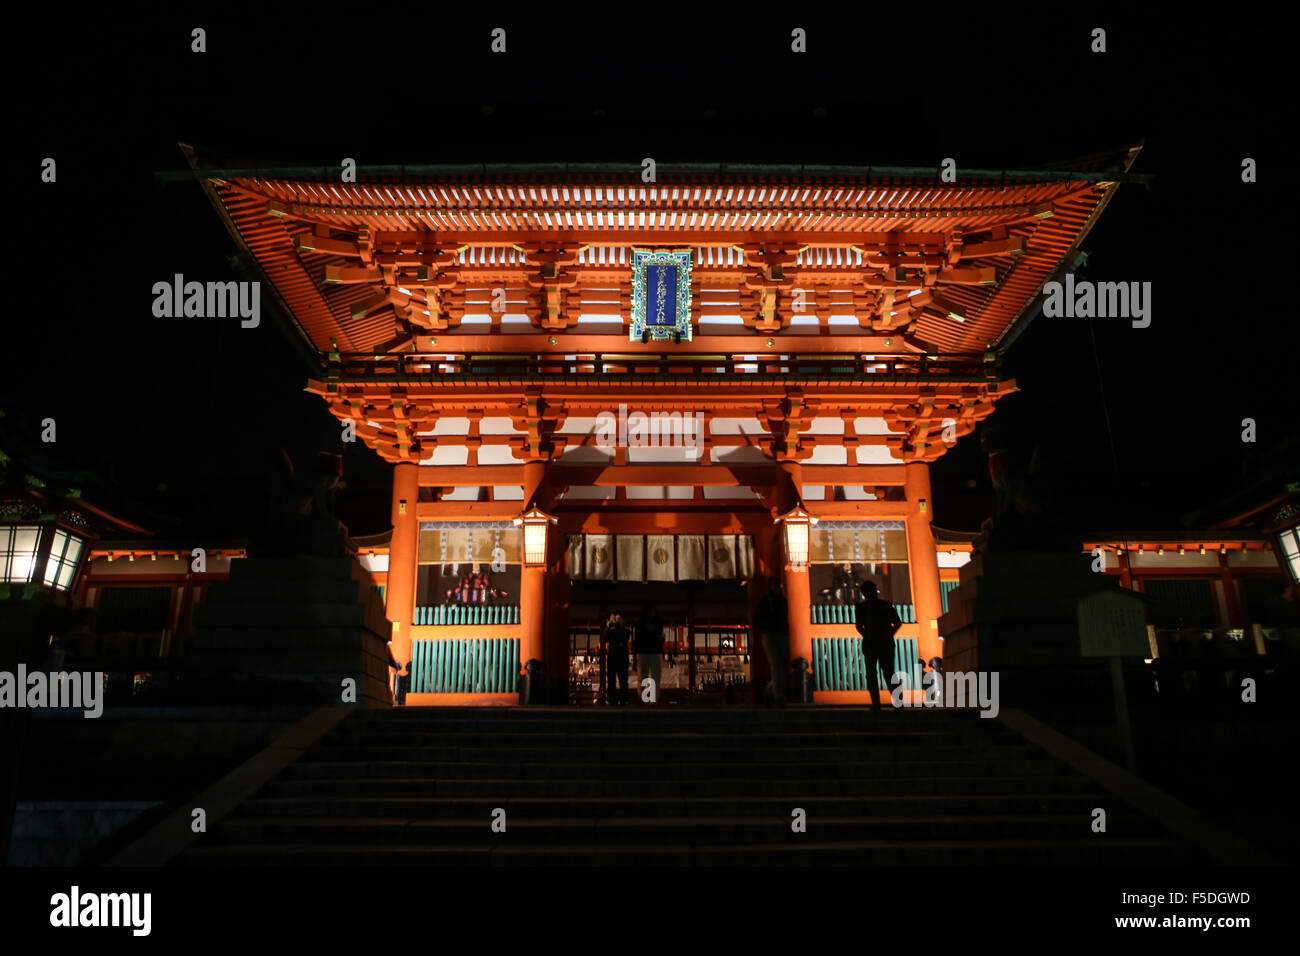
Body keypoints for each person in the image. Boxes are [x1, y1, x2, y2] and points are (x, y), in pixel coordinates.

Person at [855, 581, 902, 711]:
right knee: (889, 672)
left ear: (863, 593)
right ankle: (898, 702)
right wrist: (889, 634)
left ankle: (876, 703)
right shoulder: (886, 605)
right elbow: (897, 623)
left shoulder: (862, 607)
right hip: (886, 643)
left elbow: (859, 626)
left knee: (871, 674)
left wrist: (868, 635)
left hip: (870, 643)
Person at [752, 577, 790, 706]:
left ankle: (772, 690)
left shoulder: (781, 601)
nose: (777, 588)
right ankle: (778, 694)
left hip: (779, 633)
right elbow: (757, 619)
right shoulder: (768, 601)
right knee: (778, 664)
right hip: (772, 633)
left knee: (782, 665)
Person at [635, 604, 665, 702]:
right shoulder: (658, 624)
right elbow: (660, 637)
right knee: (654, 676)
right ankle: (653, 699)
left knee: (644, 676)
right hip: (654, 652)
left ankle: (645, 698)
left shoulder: (640, 624)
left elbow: (638, 639)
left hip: (645, 652)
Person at [602, 613, 632, 705]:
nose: (617, 621)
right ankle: (612, 700)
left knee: (623, 681)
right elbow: (603, 639)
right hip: (613, 658)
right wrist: (608, 626)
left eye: (619, 619)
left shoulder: (625, 630)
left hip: (621, 658)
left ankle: (623, 700)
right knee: (611, 681)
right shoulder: (611, 631)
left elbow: (623, 635)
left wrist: (613, 625)